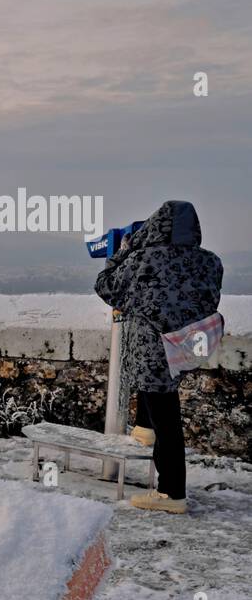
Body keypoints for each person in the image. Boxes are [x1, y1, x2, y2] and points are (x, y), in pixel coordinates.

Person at [94, 201, 222, 513]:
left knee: (167, 420)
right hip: (186, 345)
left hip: (152, 350)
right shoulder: (210, 262)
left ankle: (171, 493)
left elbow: (106, 287)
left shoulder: (144, 259)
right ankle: (144, 429)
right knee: (161, 405)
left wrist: (124, 252)